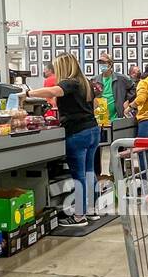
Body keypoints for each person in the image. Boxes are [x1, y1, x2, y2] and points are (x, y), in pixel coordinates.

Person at [25, 54, 100, 226]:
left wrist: (26, 93)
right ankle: (92, 210)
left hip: (77, 132)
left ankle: (79, 216)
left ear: (64, 67)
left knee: (79, 175)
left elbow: (53, 91)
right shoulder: (85, 82)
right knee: (89, 172)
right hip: (93, 129)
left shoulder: (70, 82)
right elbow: (93, 105)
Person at [97, 53, 134, 121]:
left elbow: (133, 87)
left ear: (110, 64)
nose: (101, 65)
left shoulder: (121, 78)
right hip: (101, 119)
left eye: (104, 62)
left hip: (117, 118)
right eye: (100, 62)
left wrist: (128, 100)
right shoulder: (95, 80)